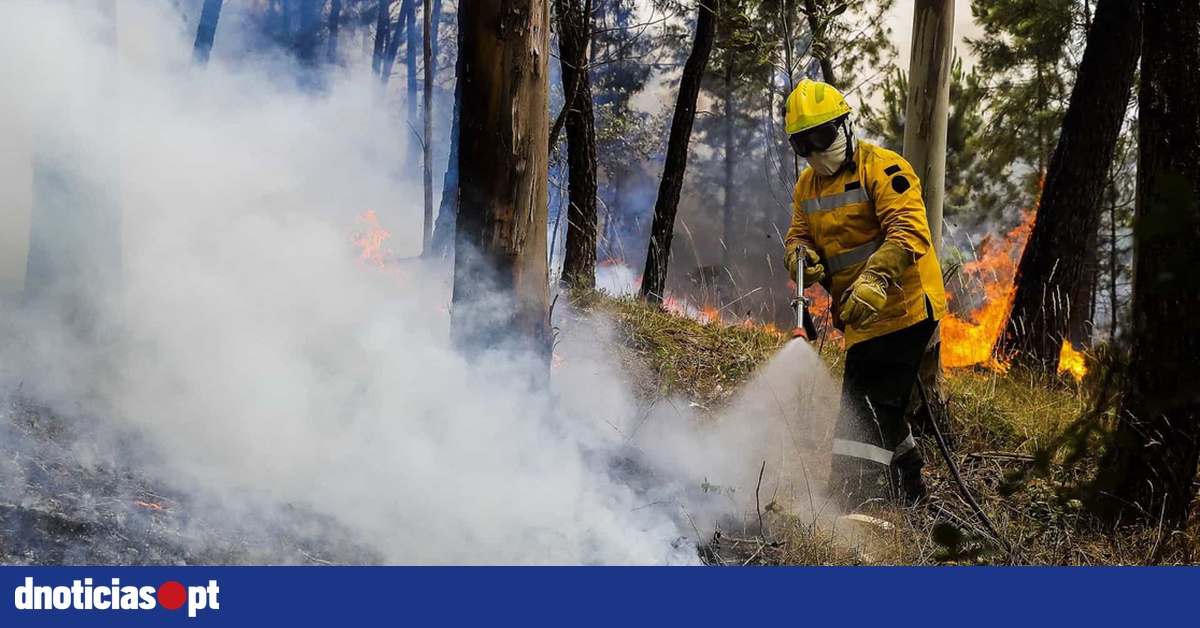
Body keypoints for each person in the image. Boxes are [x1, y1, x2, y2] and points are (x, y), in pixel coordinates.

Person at [781, 79, 948, 509]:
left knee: (864, 415)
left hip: (905, 307)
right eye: (804, 143)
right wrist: (800, 255)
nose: (817, 150)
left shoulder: (883, 167)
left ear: (845, 124)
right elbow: (798, 235)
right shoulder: (806, 188)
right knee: (877, 405)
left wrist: (875, 279)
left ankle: (856, 505)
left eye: (823, 136)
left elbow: (909, 230)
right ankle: (913, 497)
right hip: (861, 319)